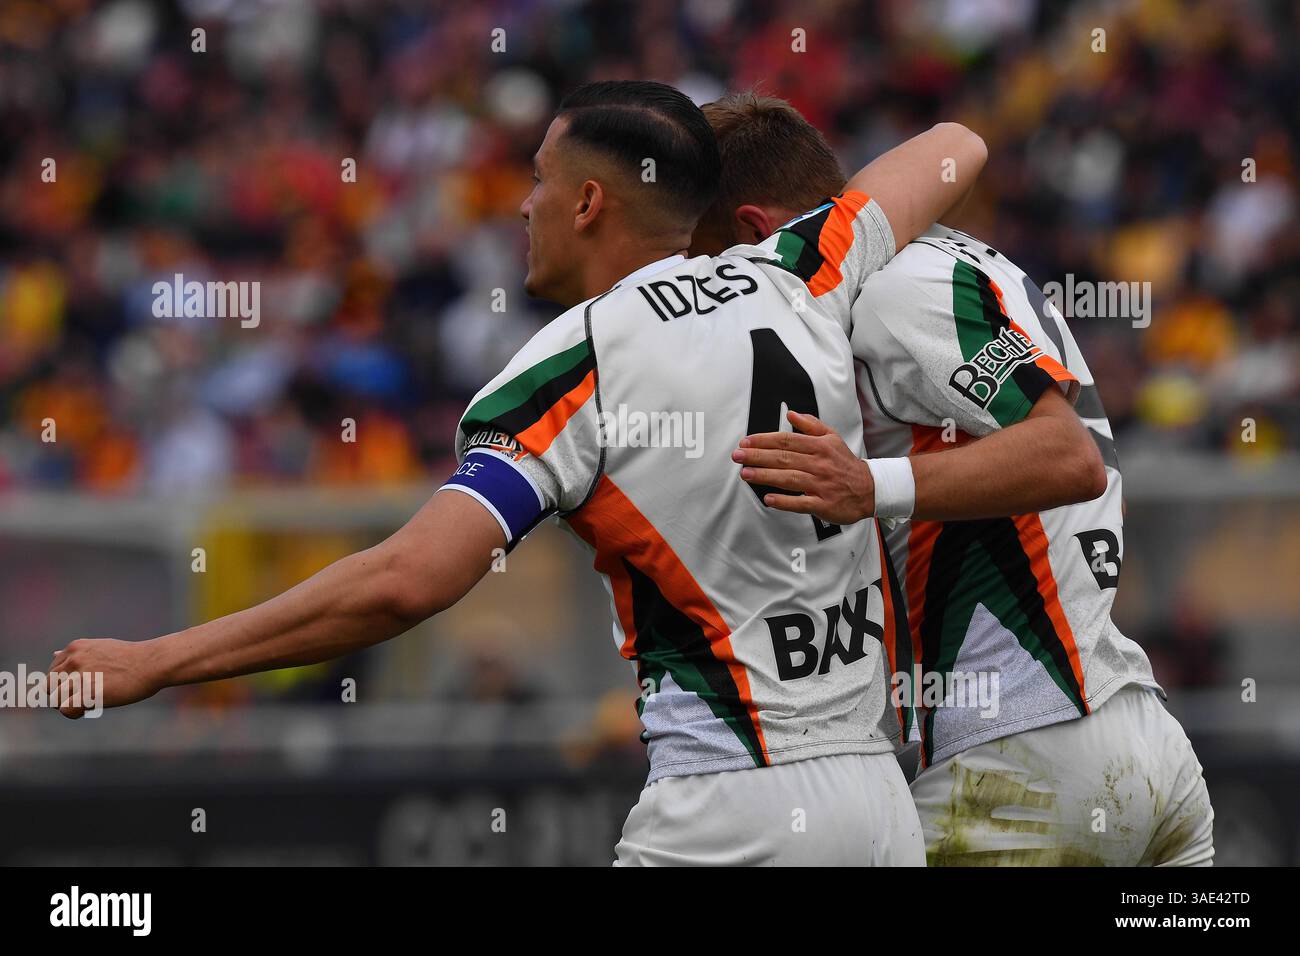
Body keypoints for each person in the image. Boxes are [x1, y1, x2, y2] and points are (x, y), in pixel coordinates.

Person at [48, 81, 988, 865]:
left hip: (731, 809)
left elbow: (406, 580)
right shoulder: (805, 270)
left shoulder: (570, 365)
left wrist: (157, 659)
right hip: (877, 803)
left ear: (587, 204)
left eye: (538, 178)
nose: (520, 203)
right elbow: (955, 143)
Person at [691, 91, 1213, 865]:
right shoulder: (950, 262)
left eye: (710, 268)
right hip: (1126, 738)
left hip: (1025, 761)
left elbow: (1063, 456)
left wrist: (870, 488)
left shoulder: (895, 287)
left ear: (755, 232)